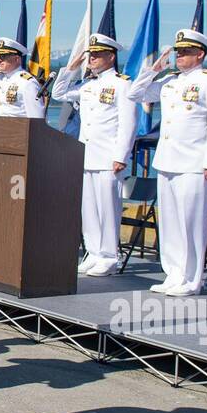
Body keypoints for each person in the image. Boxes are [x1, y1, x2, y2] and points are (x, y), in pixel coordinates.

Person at [126, 29, 207, 295]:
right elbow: (135, 94)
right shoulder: (170, 82)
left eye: (185, 52)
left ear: (200, 54)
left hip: (194, 163)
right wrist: (151, 71)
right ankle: (173, 273)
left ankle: (192, 278)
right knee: (170, 221)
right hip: (167, 161)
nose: (179, 56)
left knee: (191, 223)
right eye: (178, 51)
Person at [50, 34, 137, 276]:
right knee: (88, 209)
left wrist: (121, 155)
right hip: (87, 156)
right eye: (90, 54)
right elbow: (59, 93)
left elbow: (128, 123)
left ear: (111, 56)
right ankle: (94, 252)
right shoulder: (88, 85)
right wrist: (71, 67)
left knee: (108, 208)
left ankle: (109, 256)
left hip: (109, 157)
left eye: (97, 55)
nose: (92, 59)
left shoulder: (122, 84)